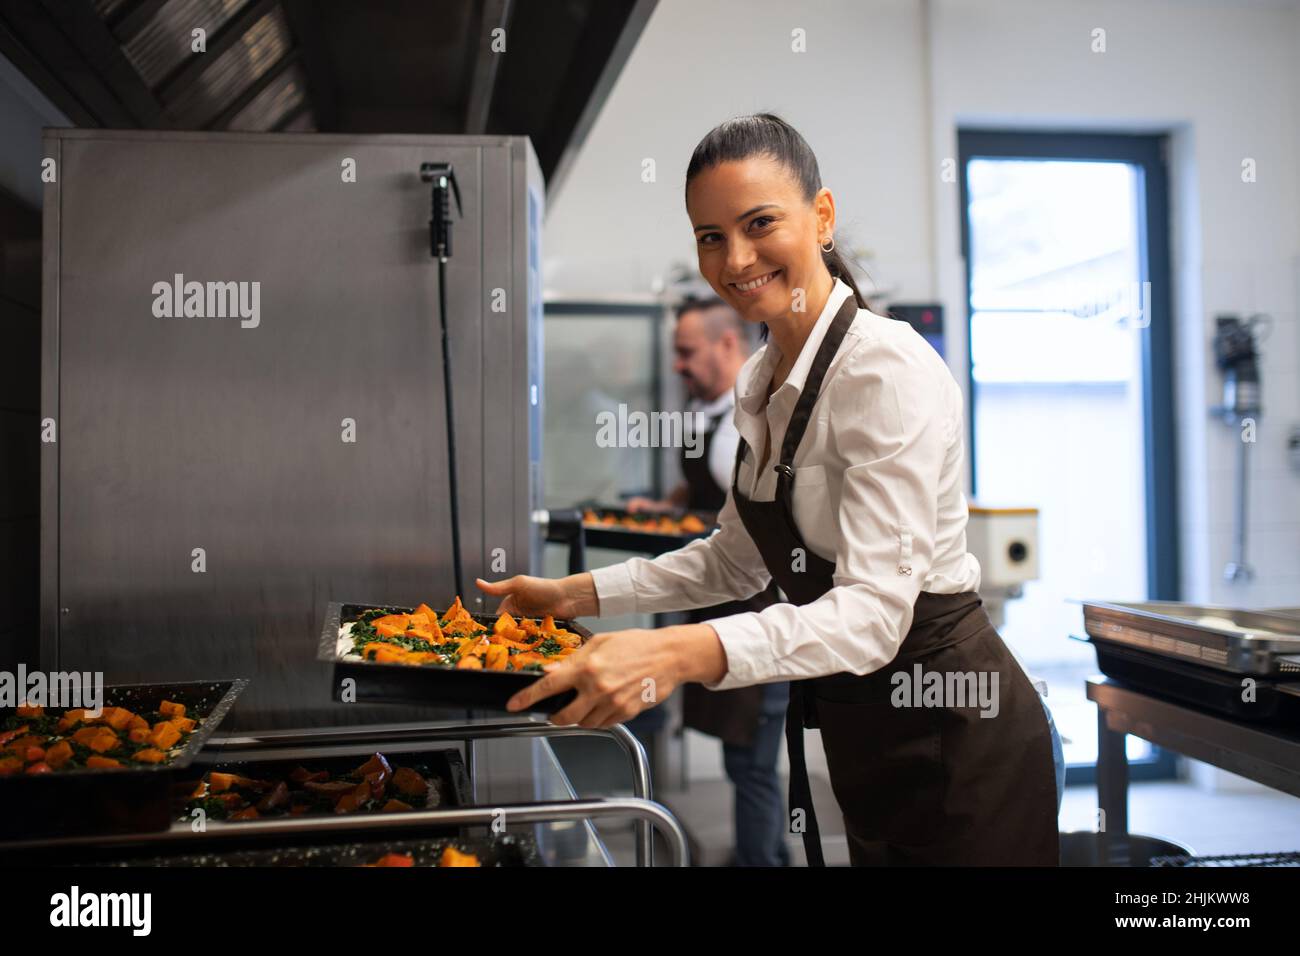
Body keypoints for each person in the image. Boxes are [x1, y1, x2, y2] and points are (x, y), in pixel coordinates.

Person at [479, 113, 1059, 865]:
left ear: (822, 216)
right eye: (710, 235)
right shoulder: (762, 376)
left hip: (955, 725)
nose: (736, 258)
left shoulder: (884, 373)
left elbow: (875, 615)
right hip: (867, 727)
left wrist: (676, 653)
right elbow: (735, 559)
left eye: (760, 224)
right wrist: (574, 595)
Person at [626, 296, 789, 867]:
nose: (677, 365)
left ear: (728, 345)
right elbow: (703, 497)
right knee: (740, 759)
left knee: (752, 764)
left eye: (686, 352)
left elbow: (760, 534)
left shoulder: (762, 418)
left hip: (758, 613)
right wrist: (663, 509)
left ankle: (760, 862)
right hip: (716, 611)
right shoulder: (710, 412)